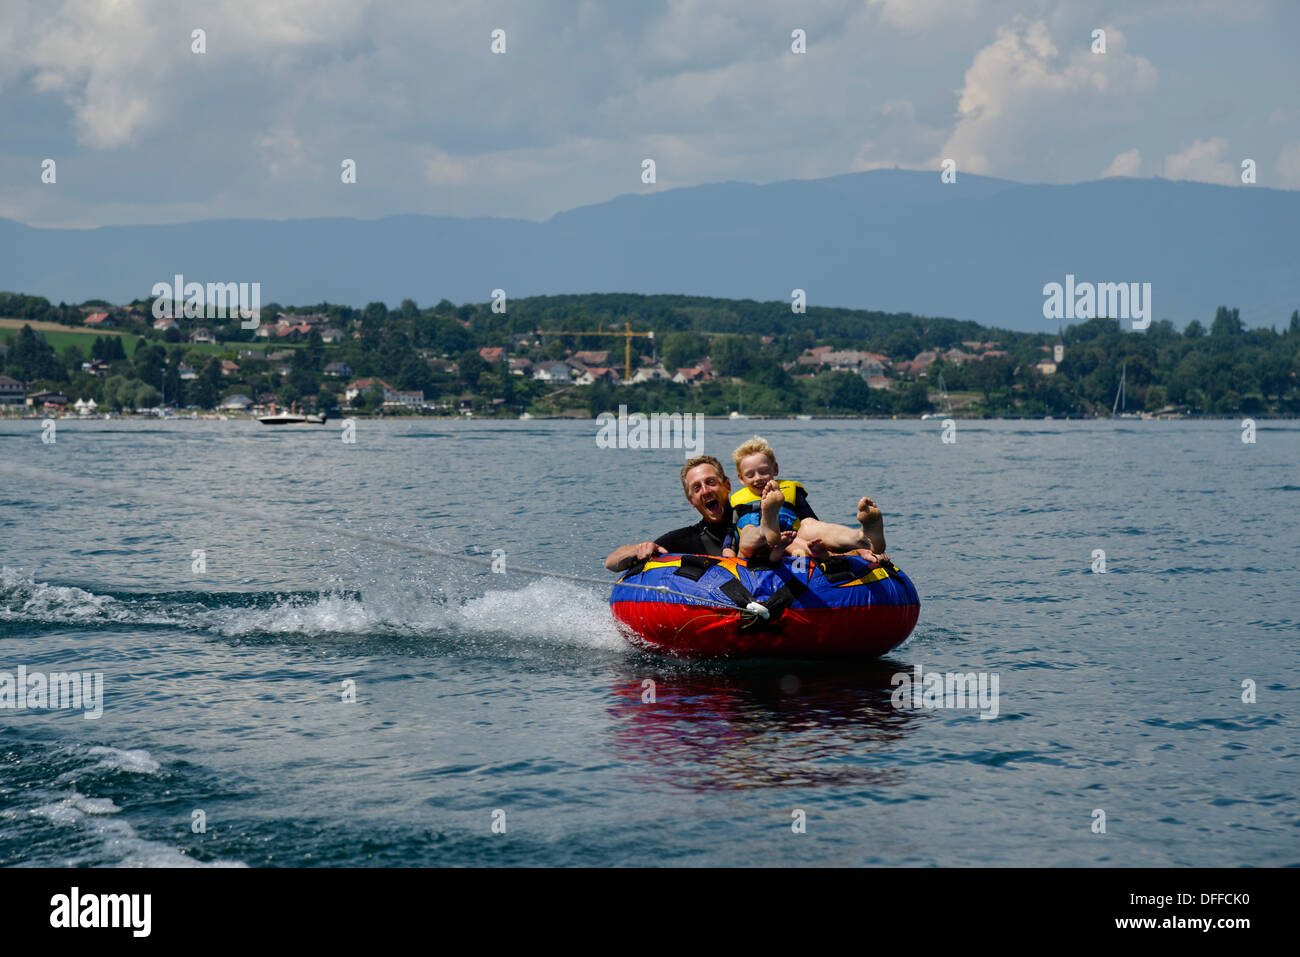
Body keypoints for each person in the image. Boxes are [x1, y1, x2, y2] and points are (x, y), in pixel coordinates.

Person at [724, 436, 887, 562]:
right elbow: (730, 536)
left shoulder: (790, 489)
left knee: (809, 525)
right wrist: (727, 559)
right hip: (755, 547)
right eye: (750, 475)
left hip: (790, 539)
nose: (758, 478)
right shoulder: (736, 501)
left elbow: (811, 520)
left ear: (775, 469)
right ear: (741, 479)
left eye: (763, 471)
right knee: (747, 532)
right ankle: (767, 528)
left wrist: (859, 550)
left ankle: (862, 538)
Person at [604, 456, 735, 572]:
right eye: (697, 488)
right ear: (691, 501)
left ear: (727, 486)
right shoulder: (685, 539)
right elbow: (611, 563)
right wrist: (638, 549)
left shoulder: (753, 520)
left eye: (710, 482)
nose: (705, 491)